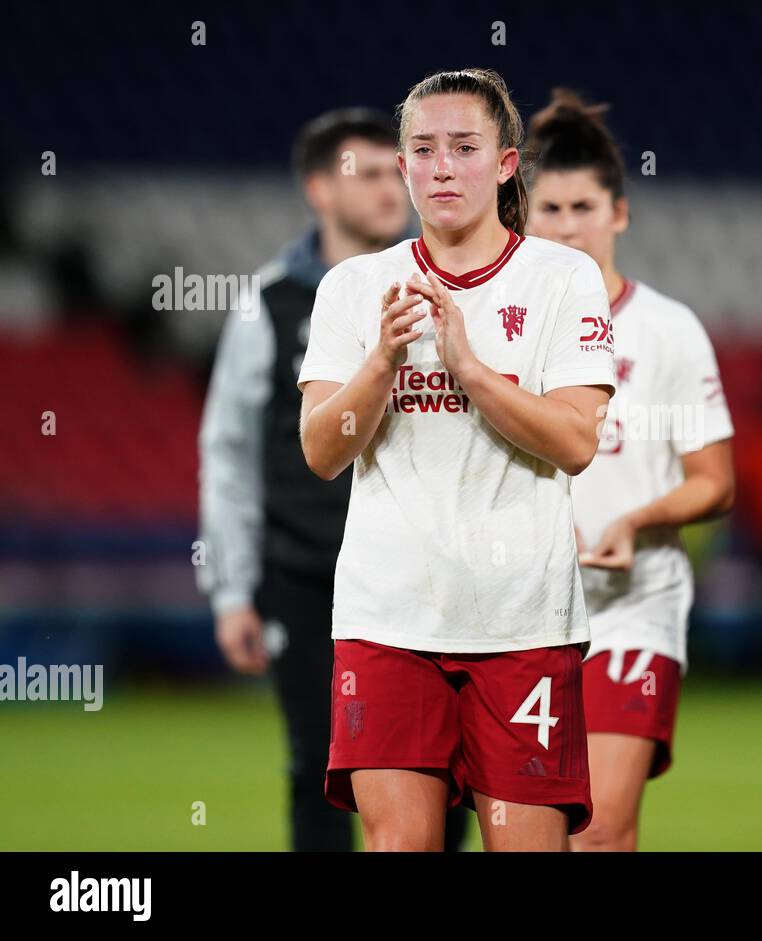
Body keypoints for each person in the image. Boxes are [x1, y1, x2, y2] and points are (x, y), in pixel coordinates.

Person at [297, 68, 616, 852]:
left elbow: (576, 441)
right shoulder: (355, 286)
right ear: (402, 167)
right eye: (424, 150)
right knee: (400, 844)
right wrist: (380, 363)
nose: (443, 167)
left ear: (506, 162)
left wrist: (469, 369)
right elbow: (321, 450)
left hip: (521, 619)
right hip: (387, 618)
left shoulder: (561, 278)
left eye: (464, 148)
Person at [523, 89, 736, 851]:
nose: (567, 225)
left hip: (633, 603)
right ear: (522, 217)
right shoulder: (501, 330)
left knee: (602, 829)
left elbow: (715, 480)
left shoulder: (669, 331)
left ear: (619, 213)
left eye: (583, 205)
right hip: (519, 605)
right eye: (548, 208)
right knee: (528, 832)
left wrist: (636, 520)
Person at [197, 107, 412, 851]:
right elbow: (227, 451)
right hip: (304, 571)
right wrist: (231, 591)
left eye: (399, 170)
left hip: (415, 571)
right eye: (371, 172)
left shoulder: (435, 291)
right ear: (319, 188)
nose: (394, 187)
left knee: (433, 764)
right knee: (319, 762)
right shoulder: (269, 302)